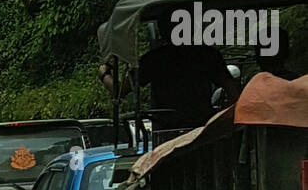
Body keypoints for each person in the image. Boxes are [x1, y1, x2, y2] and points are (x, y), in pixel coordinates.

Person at [99, 14, 236, 132]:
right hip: (202, 128)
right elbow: (233, 92)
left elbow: (120, 90)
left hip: (167, 130)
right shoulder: (207, 55)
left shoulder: (154, 59)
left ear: (162, 30)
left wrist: (104, 74)